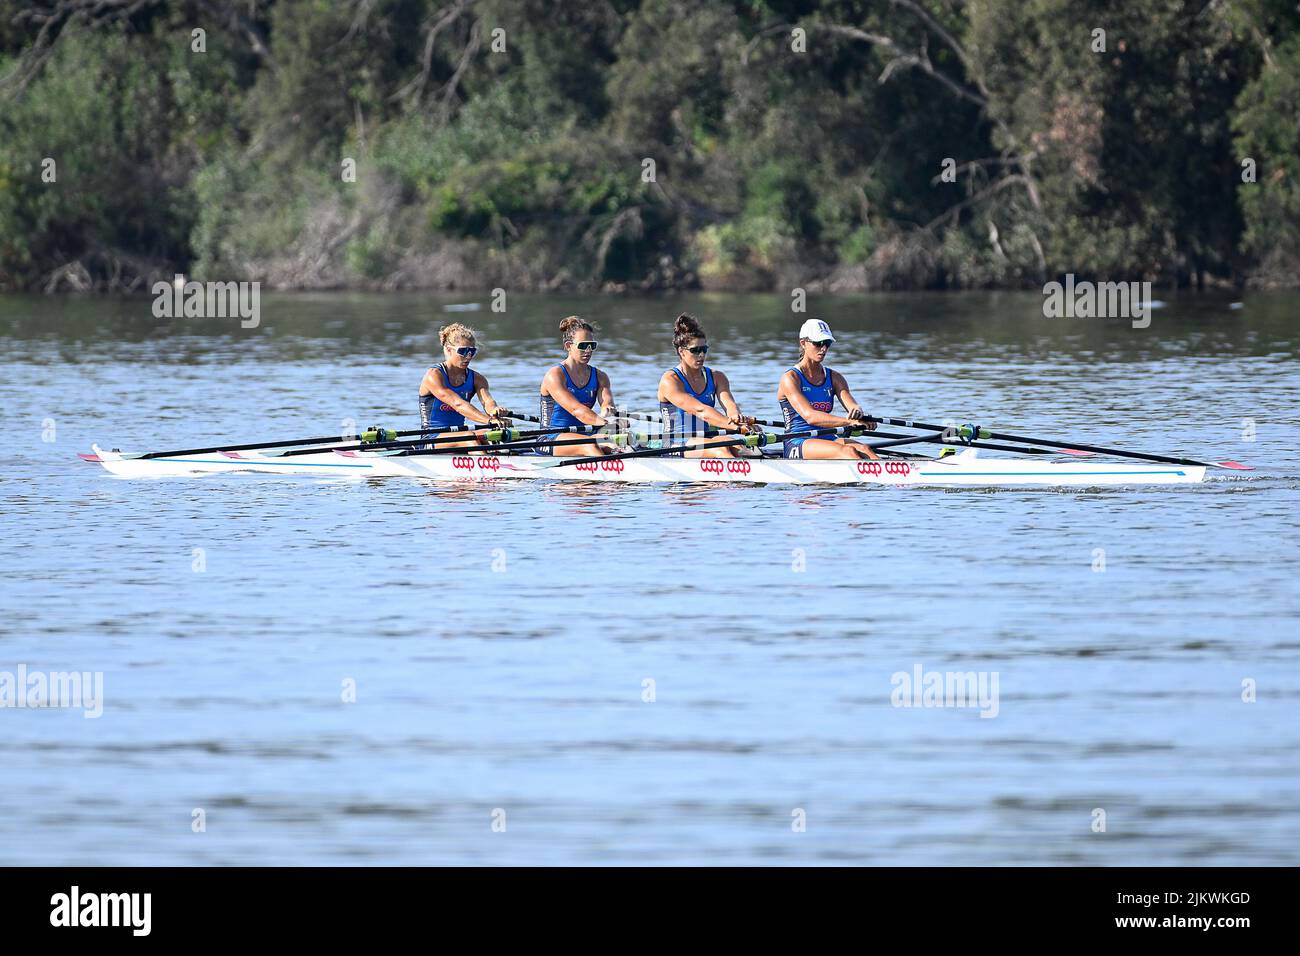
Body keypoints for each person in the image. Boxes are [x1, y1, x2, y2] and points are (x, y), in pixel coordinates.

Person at [776, 318, 880, 460]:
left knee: (865, 449)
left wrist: (860, 415)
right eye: (818, 343)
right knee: (848, 452)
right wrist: (850, 422)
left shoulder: (835, 377)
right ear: (803, 343)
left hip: (828, 437)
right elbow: (810, 416)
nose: (823, 348)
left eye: (827, 343)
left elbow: (852, 406)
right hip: (798, 441)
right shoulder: (790, 378)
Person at [656, 313, 756, 458]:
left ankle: (744, 477)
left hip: (705, 439)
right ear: (681, 352)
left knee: (738, 445)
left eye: (704, 349)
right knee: (721, 450)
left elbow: (729, 404)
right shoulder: (670, 380)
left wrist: (737, 418)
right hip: (674, 443)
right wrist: (734, 426)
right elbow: (701, 411)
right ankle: (734, 479)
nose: (701, 355)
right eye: (695, 350)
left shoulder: (717, 377)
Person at [538, 316, 618, 456]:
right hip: (551, 438)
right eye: (583, 346)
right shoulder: (555, 375)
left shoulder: (601, 376)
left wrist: (609, 413)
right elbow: (577, 410)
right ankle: (608, 477)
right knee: (591, 445)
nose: (588, 351)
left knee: (620, 443)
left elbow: (607, 402)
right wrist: (604, 424)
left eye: (591, 346)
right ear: (569, 346)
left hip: (585, 434)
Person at [418, 323, 506, 449]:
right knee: (469, 439)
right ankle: (490, 465)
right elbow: (458, 404)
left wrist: (495, 412)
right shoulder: (434, 375)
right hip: (431, 439)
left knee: (495, 435)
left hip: (460, 435)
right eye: (463, 351)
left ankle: (505, 462)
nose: (468, 356)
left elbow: (488, 401)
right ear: (449, 350)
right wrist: (488, 421)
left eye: (472, 351)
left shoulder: (477, 379)